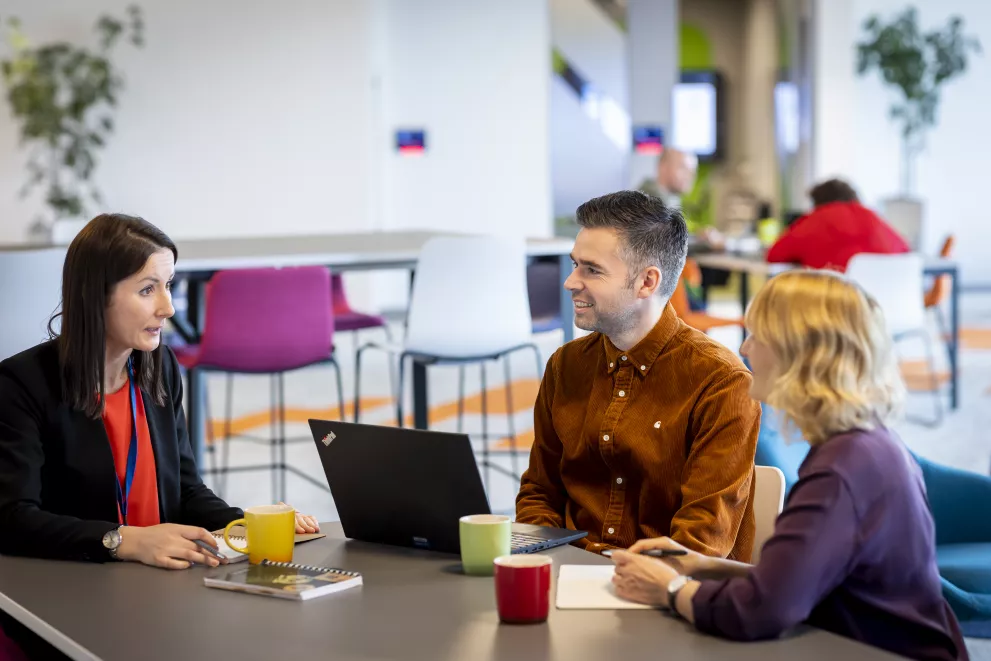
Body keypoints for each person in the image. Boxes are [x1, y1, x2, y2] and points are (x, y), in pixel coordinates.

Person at [0, 215, 320, 651]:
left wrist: (246, 524)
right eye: (148, 289)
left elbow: (186, 490)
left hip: (158, 594)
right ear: (94, 296)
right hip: (73, 597)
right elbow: (12, 518)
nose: (167, 308)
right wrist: (123, 540)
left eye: (169, 285)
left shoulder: (160, 368)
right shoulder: (21, 384)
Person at [611, 270, 968, 661]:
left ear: (801, 353)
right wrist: (705, 566)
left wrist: (669, 589)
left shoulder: (840, 473)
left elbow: (761, 611)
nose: (745, 347)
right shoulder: (863, 444)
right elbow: (809, 579)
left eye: (758, 336)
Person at [516, 191, 761, 560]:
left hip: (664, 593)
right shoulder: (565, 365)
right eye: (574, 264)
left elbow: (701, 543)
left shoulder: (720, 381)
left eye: (591, 269)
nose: (570, 282)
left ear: (646, 282)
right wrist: (546, 560)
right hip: (568, 573)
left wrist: (614, 574)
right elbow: (539, 492)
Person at [766, 178, 909, 270]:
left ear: (817, 202)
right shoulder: (871, 216)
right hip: (884, 309)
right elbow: (905, 250)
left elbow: (774, 255)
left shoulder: (816, 219)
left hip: (834, 309)